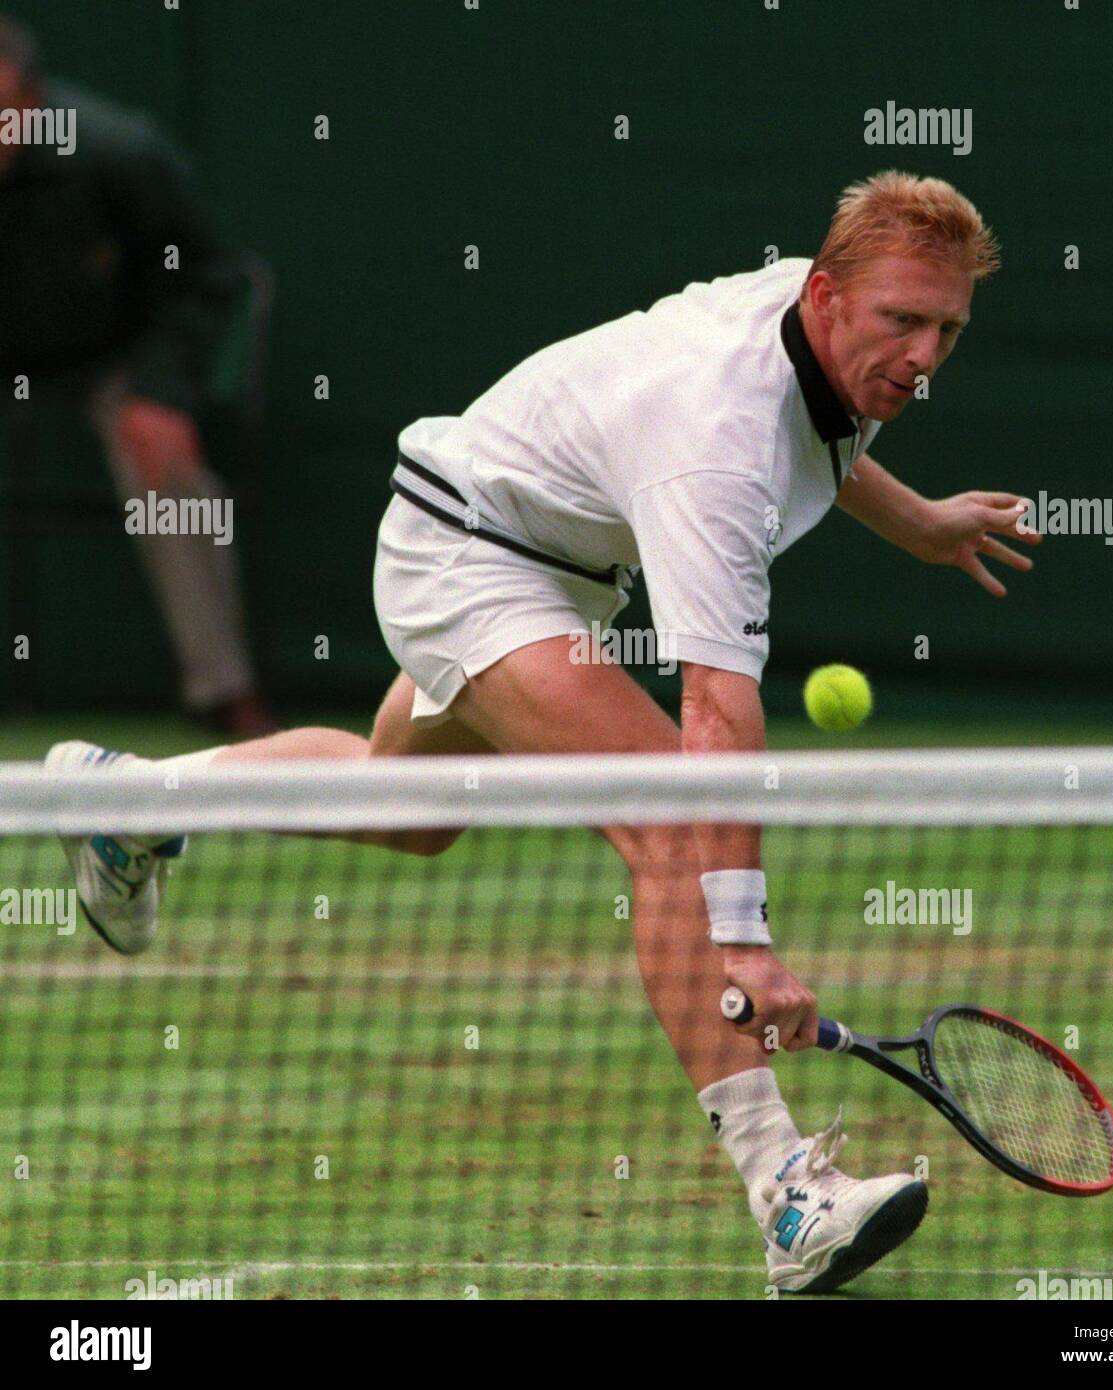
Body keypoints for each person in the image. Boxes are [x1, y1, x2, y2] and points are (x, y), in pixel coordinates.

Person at [46, 171, 1041, 1293]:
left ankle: (130, 798)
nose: (920, 355)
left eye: (945, 328)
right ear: (822, 295)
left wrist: (914, 522)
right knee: (671, 830)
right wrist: (745, 941)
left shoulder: (816, 321)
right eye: (899, 321)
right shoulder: (714, 440)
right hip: (470, 555)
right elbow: (717, 708)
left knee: (408, 808)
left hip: (535, 546)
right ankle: (787, 1196)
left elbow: (832, 422)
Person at [0, 16, 277, 736]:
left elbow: (206, 277)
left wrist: (158, 390)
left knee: (168, 474)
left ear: (31, 102)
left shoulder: (117, 153)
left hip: (108, 359)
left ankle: (225, 691)